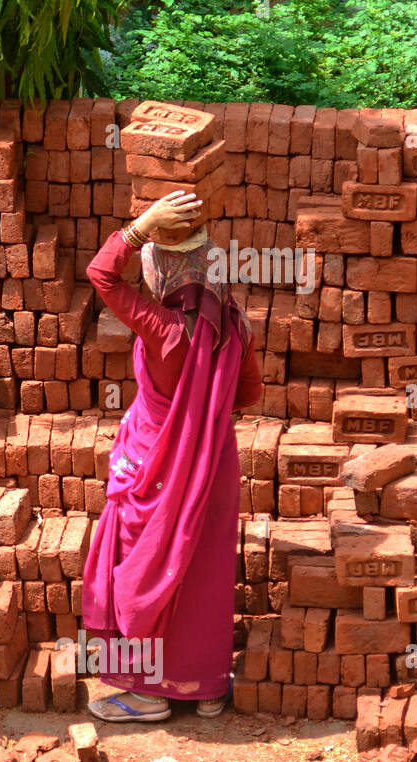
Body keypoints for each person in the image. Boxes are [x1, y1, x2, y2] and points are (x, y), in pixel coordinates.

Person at [81, 191, 264, 723]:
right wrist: (203, 409)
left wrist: (138, 229)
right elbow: (248, 395)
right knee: (202, 570)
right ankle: (205, 688)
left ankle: (146, 693)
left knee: (148, 567)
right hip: (212, 462)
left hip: (155, 466)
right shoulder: (233, 323)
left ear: (162, 273)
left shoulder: (164, 329)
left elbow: (102, 275)